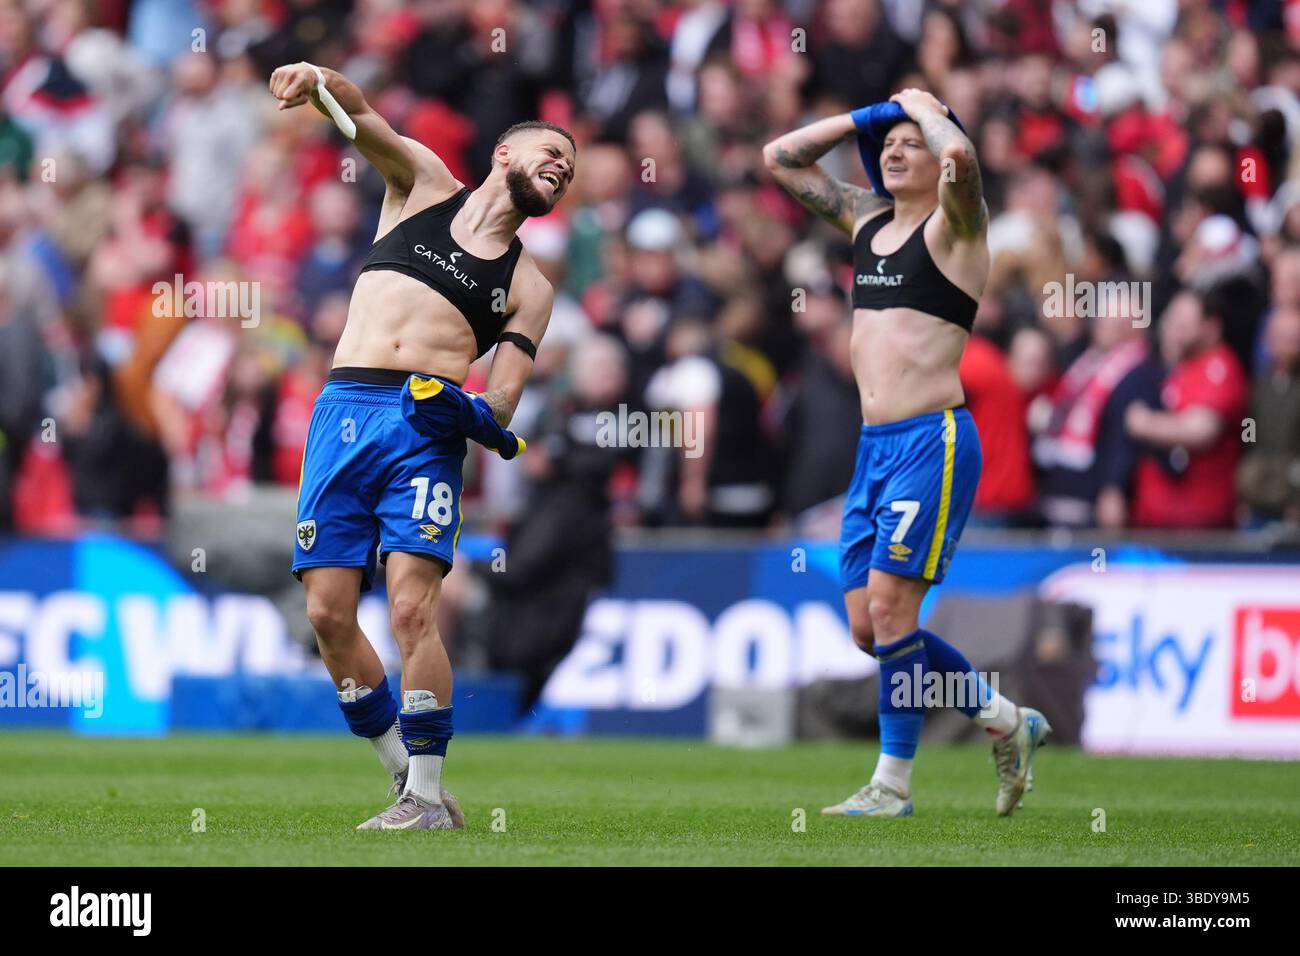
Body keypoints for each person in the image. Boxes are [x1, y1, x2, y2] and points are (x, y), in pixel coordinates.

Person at [269, 62, 575, 830]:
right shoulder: (426, 185)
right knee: (329, 615)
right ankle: (406, 777)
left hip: (423, 430)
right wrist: (318, 76)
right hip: (343, 411)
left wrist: (469, 413)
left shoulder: (530, 285)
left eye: (568, 170)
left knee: (411, 608)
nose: (560, 170)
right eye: (550, 154)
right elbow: (359, 108)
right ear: (505, 154)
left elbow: (504, 397)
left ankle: (427, 797)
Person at [764, 88, 1049, 818]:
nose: (894, 150)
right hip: (874, 448)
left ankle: (891, 787)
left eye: (907, 143)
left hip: (933, 439)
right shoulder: (866, 219)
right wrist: (870, 116)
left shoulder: (960, 225)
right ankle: (1008, 720)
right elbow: (781, 158)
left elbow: (959, 155)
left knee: (893, 611)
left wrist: (928, 112)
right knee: (872, 629)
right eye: (883, 144)